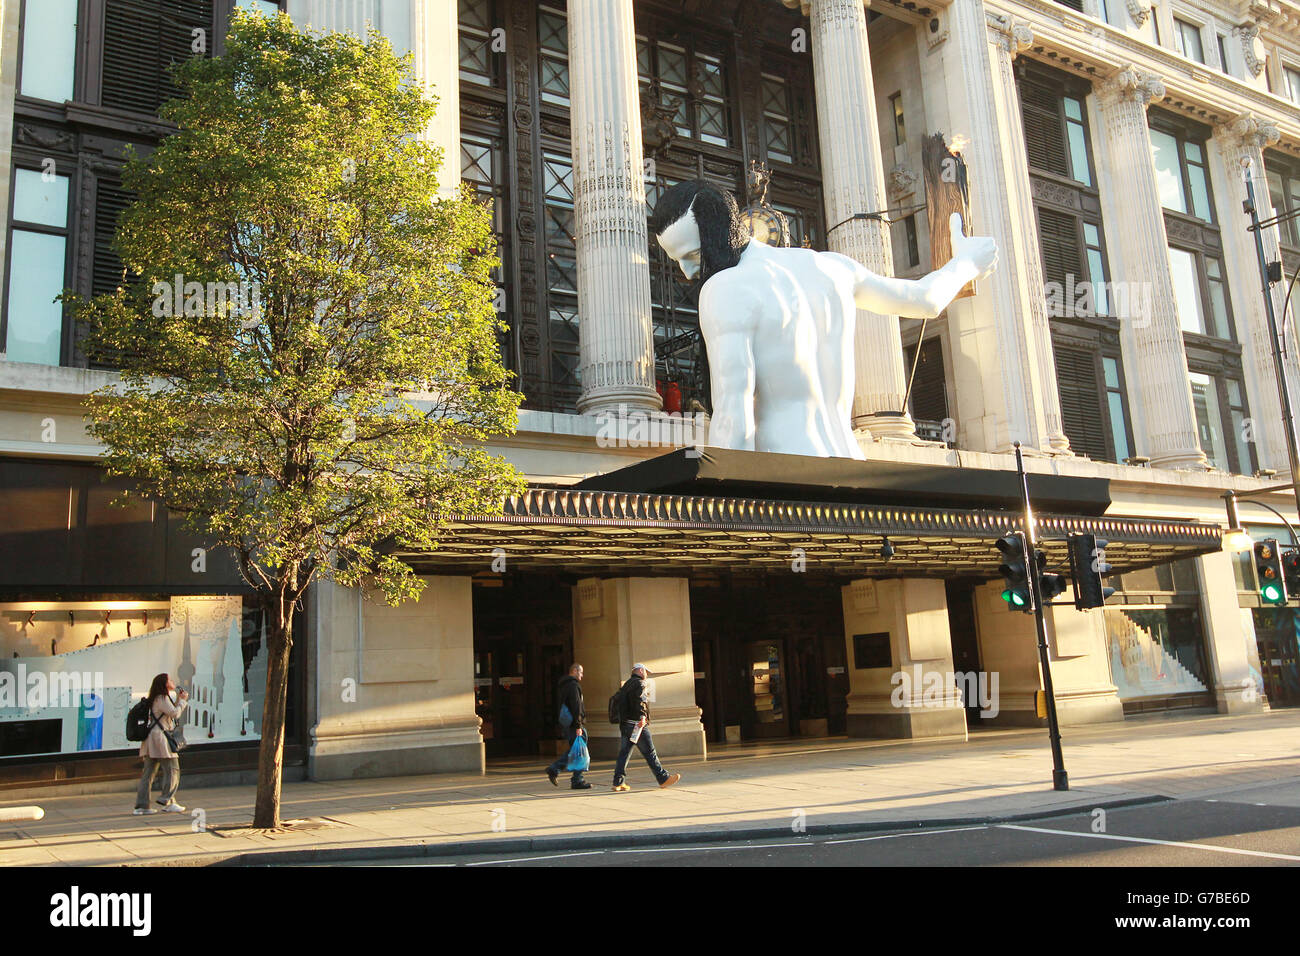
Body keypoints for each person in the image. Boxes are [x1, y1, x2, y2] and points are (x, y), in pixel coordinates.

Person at [648, 180, 997, 460]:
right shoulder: (832, 267)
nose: (687, 270)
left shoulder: (724, 288)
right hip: (849, 464)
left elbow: (733, 416)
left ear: (720, 233)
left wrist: (723, 512)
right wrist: (967, 263)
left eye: (693, 254)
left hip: (783, 477)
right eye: (675, 260)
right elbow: (924, 300)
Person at [611, 663, 680, 792]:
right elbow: (640, 701)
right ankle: (663, 778)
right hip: (638, 725)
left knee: (624, 754)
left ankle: (618, 782)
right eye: (646, 672)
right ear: (641, 671)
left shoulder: (626, 684)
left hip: (626, 724)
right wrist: (642, 717)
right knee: (650, 752)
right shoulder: (640, 684)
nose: (647, 675)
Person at [133, 673, 189, 815]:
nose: (172, 681)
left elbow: (169, 713)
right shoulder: (162, 698)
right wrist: (182, 701)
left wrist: (177, 701)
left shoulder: (157, 698)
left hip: (153, 738)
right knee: (172, 769)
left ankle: (142, 806)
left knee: (148, 773)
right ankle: (166, 800)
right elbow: (175, 714)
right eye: (169, 680)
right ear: (164, 684)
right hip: (160, 738)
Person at [546, 663, 591, 790]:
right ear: (575, 671)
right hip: (575, 724)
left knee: (576, 750)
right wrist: (579, 725)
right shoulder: (573, 686)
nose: (582, 675)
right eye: (581, 672)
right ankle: (575, 779)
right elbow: (576, 706)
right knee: (579, 751)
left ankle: (559, 771)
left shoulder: (563, 685)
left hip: (568, 723)